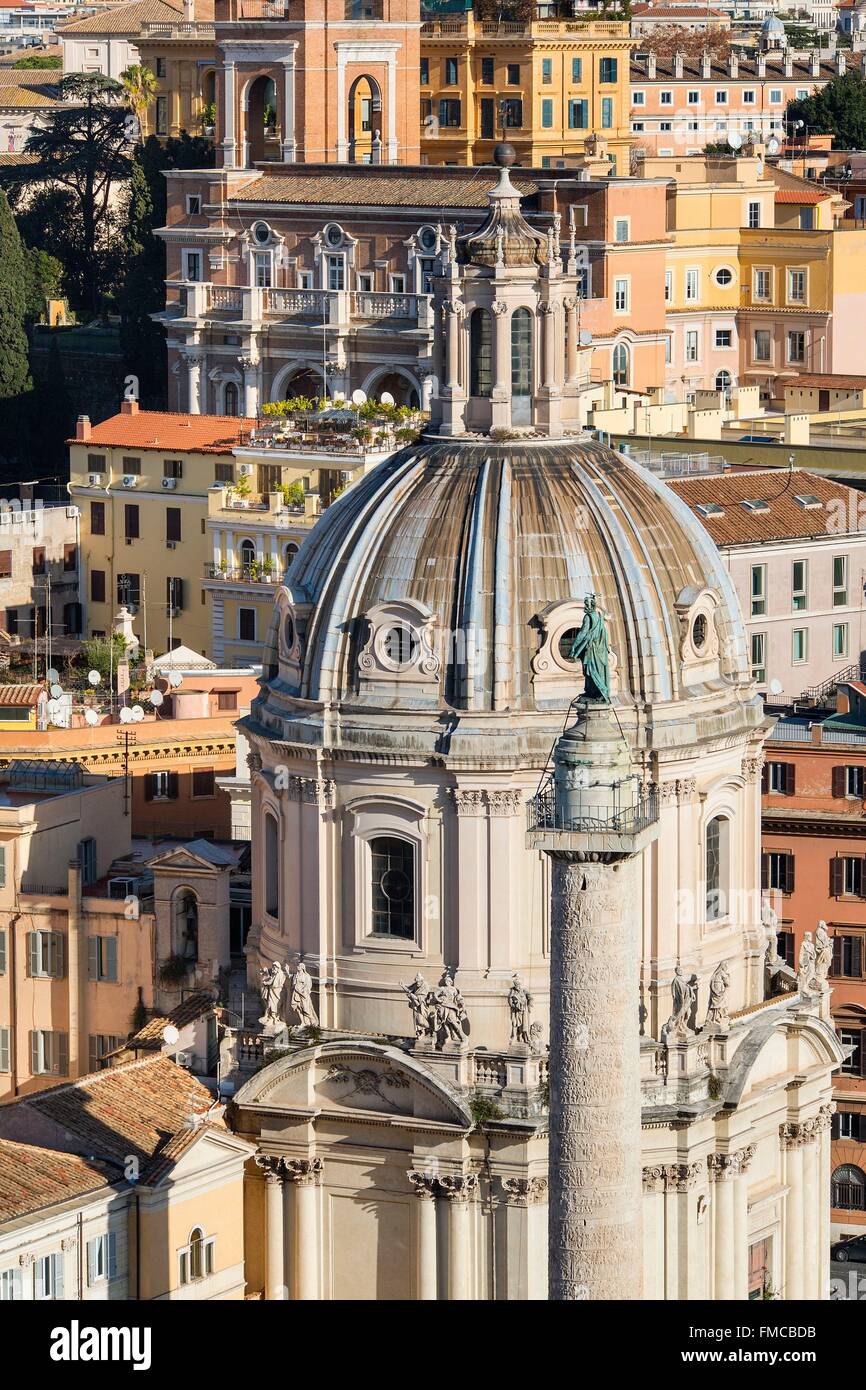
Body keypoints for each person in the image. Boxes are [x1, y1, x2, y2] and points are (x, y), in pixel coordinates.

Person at [568, 594, 610, 702]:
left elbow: (582, 633)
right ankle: (593, 692)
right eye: (585, 604)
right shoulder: (598, 616)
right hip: (599, 651)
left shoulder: (588, 617)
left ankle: (600, 692)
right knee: (594, 671)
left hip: (592, 650)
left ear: (591, 605)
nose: (585, 606)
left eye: (587, 604)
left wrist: (573, 647)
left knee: (592, 671)